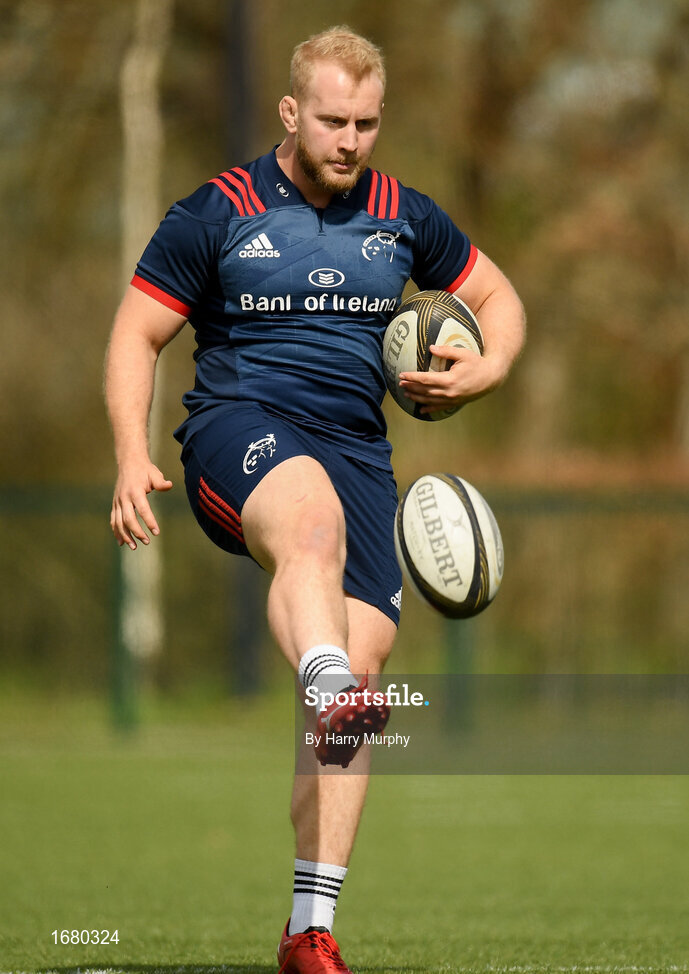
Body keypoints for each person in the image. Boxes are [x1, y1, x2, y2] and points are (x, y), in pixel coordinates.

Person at [105, 25, 525, 974]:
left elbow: (497, 297)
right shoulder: (217, 212)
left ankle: (309, 929)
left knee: (356, 696)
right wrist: (130, 455)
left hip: (359, 455)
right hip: (235, 429)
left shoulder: (405, 216)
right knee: (310, 525)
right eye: (332, 120)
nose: (349, 139)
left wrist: (486, 369)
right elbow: (136, 336)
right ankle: (323, 677)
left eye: (366, 123)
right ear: (292, 112)